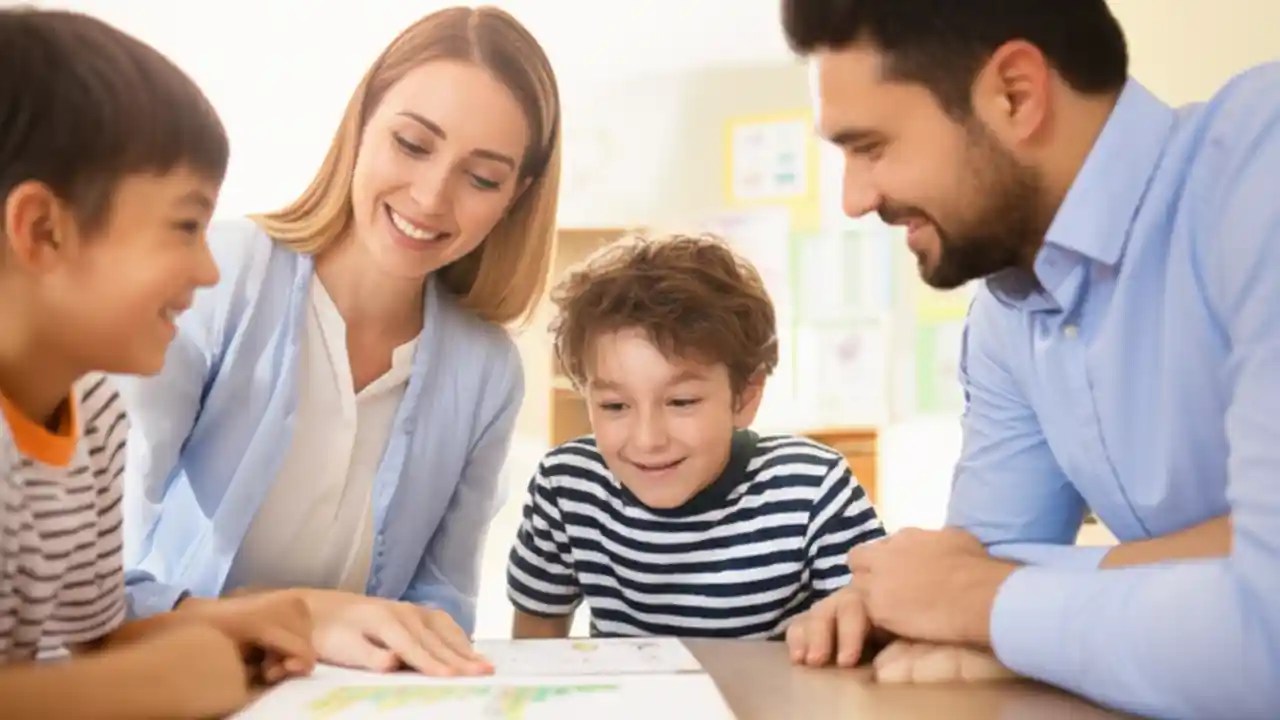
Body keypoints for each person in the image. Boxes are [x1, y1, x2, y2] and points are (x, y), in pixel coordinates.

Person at [777, 1, 1280, 717]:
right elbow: (977, 568)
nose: (856, 199)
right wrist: (929, 600)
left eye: (872, 147)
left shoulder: (1261, 163)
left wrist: (980, 600)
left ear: (1015, 93)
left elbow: (1266, 634)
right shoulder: (1008, 314)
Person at [118, 5, 562, 676]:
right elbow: (95, 585)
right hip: (181, 674)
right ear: (360, 124)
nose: (431, 197)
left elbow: (440, 606)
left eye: (482, 178)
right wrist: (297, 617)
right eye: (412, 144)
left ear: (516, 196)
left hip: (350, 696)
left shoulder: (488, 372)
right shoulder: (219, 276)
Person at [0, 8, 318, 718]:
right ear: (43, 231)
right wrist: (159, 684)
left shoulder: (95, 414)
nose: (208, 269)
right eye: (184, 226)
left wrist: (211, 627)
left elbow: (88, 644)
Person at [507, 233, 885, 639]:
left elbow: (874, 629)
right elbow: (535, 646)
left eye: (682, 402)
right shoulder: (568, 486)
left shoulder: (812, 489)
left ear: (744, 397)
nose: (648, 440)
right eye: (615, 406)